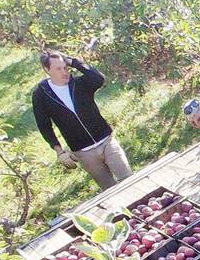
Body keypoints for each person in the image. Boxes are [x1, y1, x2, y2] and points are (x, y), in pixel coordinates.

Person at [32, 50, 132, 189]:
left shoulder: (79, 84)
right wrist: (59, 151)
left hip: (106, 141)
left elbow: (98, 78)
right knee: (110, 190)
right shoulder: (41, 95)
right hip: (83, 152)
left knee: (129, 181)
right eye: (58, 69)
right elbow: (44, 125)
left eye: (65, 67)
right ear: (47, 70)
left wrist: (74, 62)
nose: (64, 72)